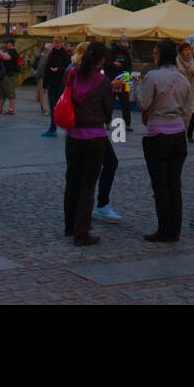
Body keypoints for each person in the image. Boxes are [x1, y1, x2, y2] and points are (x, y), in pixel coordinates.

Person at [136, 39, 194, 242]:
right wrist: (181, 129)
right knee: (174, 184)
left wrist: (137, 88)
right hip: (178, 135)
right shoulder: (182, 79)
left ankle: (163, 229)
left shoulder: (153, 77)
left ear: (160, 55)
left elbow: (144, 103)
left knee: (160, 185)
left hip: (157, 135)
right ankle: (175, 230)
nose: (153, 56)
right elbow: (188, 112)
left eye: (155, 53)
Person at [63, 41, 117, 246]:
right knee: (87, 186)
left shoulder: (72, 75)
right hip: (94, 137)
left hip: (73, 136)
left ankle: (69, 225)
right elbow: (108, 113)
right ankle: (82, 232)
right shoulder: (102, 82)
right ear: (101, 60)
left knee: (72, 182)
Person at [42, 36, 72, 138]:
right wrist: (45, 84)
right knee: (52, 106)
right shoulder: (51, 54)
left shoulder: (66, 55)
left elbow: (68, 69)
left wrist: (58, 69)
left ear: (62, 43)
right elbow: (46, 69)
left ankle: (68, 128)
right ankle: (52, 127)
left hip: (61, 83)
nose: (58, 44)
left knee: (62, 107)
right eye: (56, 42)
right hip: (52, 83)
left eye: (59, 42)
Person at [176, 43, 194, 142]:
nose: (188, 52)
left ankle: (190, 134)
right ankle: (181, 131)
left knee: (193, 111)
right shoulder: (177, 60)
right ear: (180, 51)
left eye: (189, 50)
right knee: (183, 111)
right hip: (181, 88)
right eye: (185, 50)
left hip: (193, 87)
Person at [108, 34, 134, 132]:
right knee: (110, 102)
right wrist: (113, 63)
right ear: (118, 42)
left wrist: (126, 79)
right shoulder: (111, 51)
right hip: (113, 80)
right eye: (122, 44)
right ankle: (107, 122)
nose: (124, 46)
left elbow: (129, 66)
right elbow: (106, 64)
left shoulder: (126, 52)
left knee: (125, 103)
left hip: (123, 80)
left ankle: (127, 124)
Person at [0, 40, 21, 115]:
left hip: (9, 74)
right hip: (2, 74)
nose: (6, 44)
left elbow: (6, 58)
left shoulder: (13, 52)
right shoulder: (6, 51)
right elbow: (0, 57)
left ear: (11, 44)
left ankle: (11, 109)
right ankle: (0, 108)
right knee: (1, 93)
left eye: (8, 43)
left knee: (10, 92)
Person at [33, 42, 50, 115]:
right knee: (45, 93)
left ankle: (45, 108)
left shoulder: (44, 57)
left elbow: (40, 68)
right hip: (47, 76)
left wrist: (37, 77)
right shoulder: (45, 56)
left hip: (43, 76)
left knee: (43, 93)